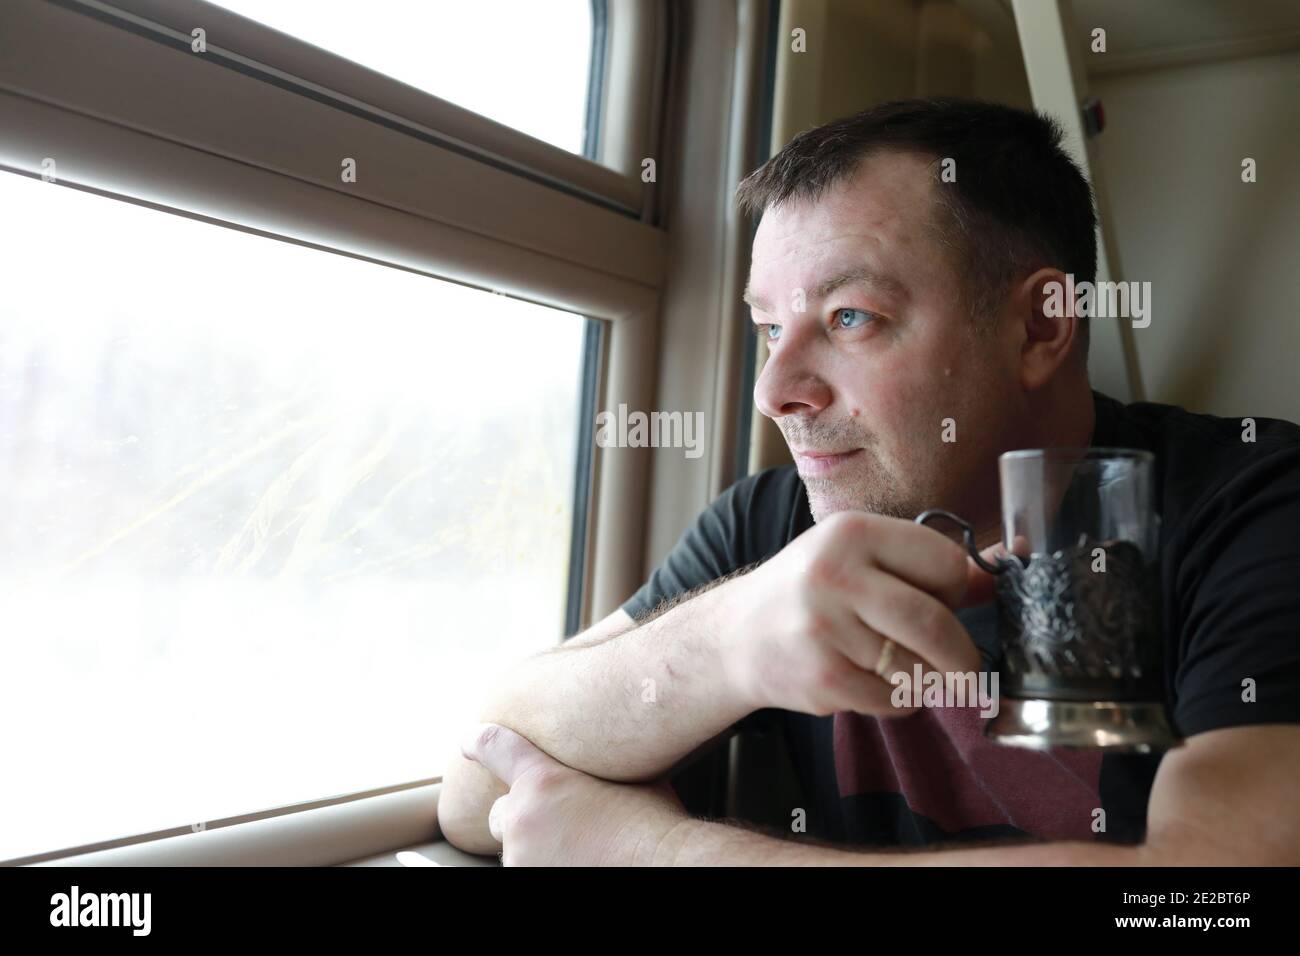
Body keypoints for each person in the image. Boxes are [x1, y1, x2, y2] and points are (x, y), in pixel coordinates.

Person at [439, 98, 1300, 866]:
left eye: (850, 317)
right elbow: (476, 783)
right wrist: (723, 645)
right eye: (769, 329)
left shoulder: (1259, 509)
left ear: (1041, 327)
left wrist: (654, 852)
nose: (774, 392)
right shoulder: (768, 531)